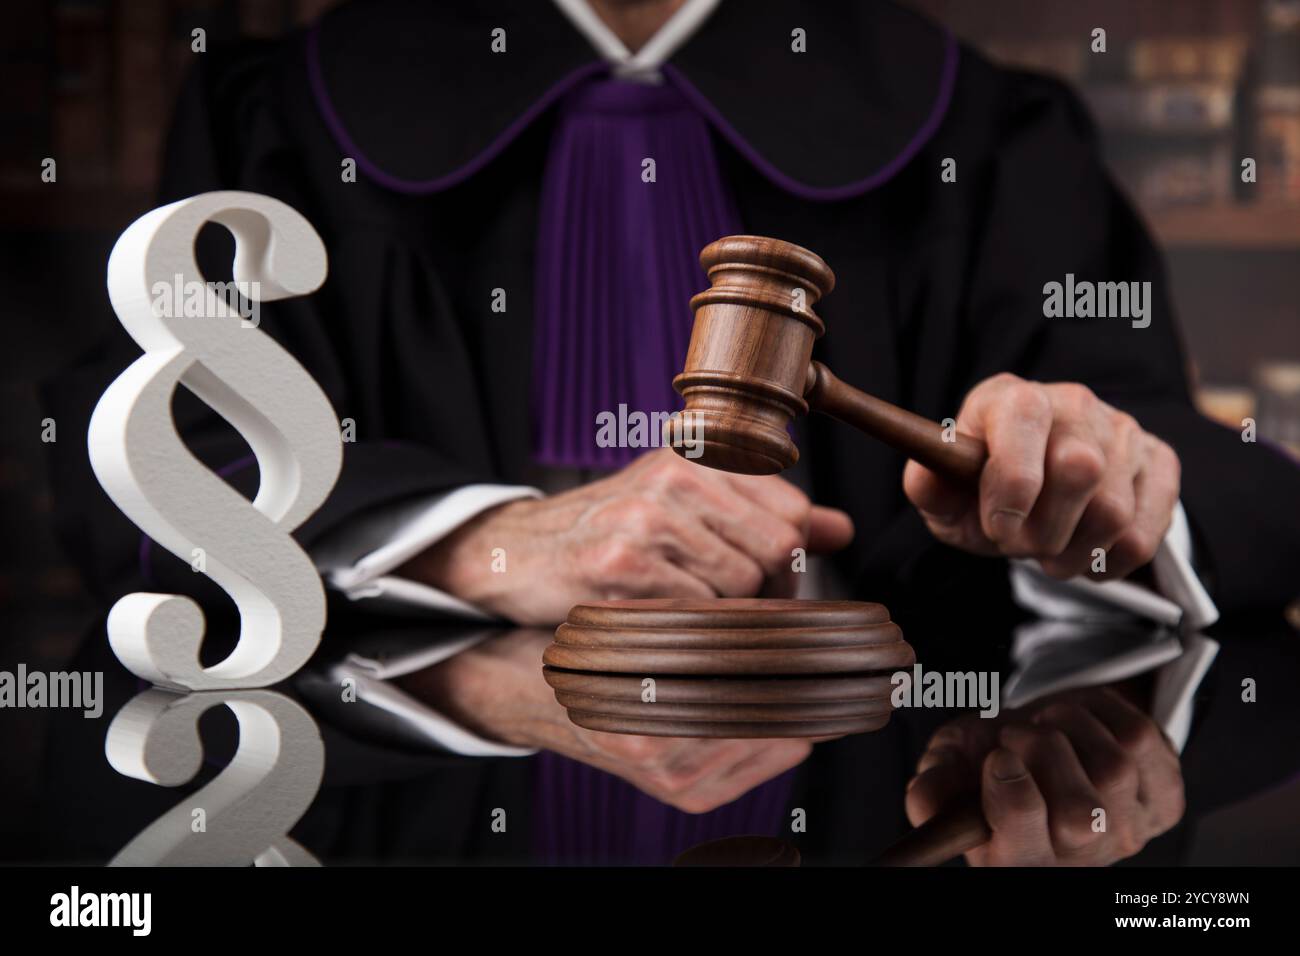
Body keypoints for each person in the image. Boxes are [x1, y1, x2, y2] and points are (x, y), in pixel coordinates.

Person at [44, 0, 1299, 864]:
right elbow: (136, 471)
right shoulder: (281, 118)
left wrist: (1101, 494)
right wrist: (482, 542)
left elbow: (1214, 484)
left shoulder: (987, 129)